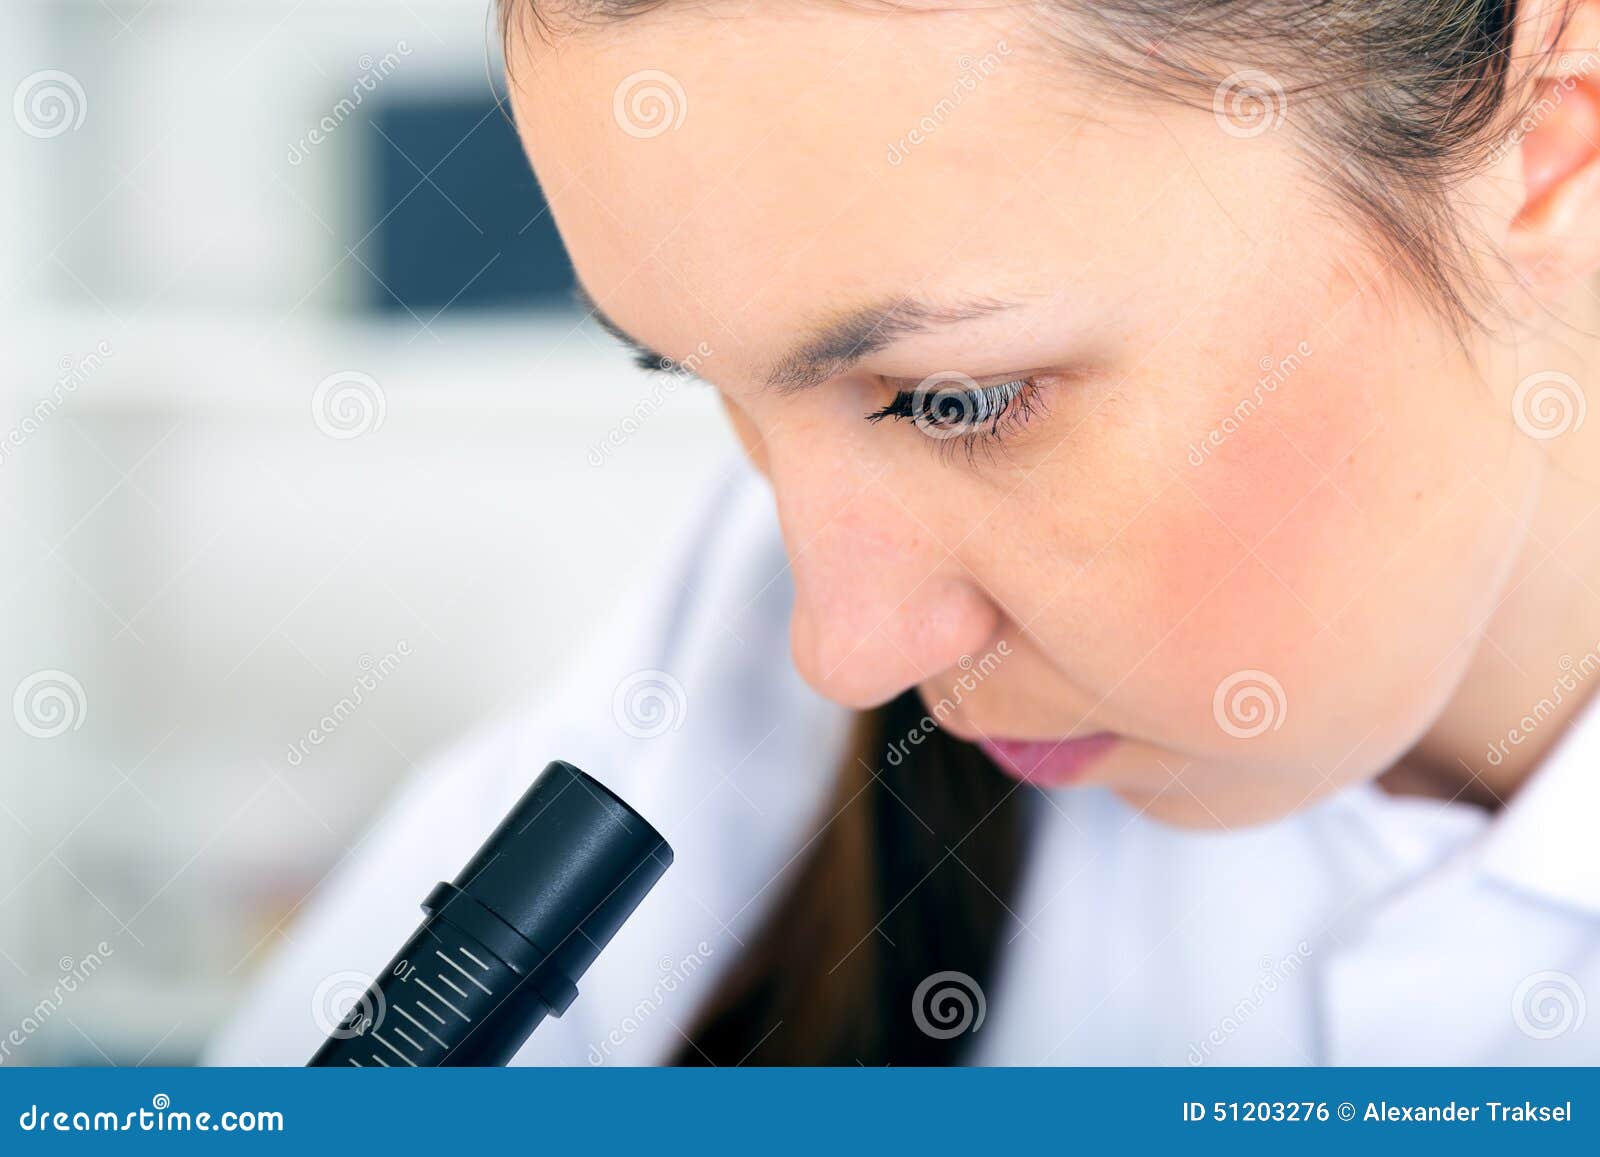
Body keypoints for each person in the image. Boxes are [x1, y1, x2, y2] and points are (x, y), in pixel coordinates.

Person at [209, 0, 1600, 1065]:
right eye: (692, 375)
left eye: (960, 399)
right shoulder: (720, 665)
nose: (847, 650)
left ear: (1551, 136)